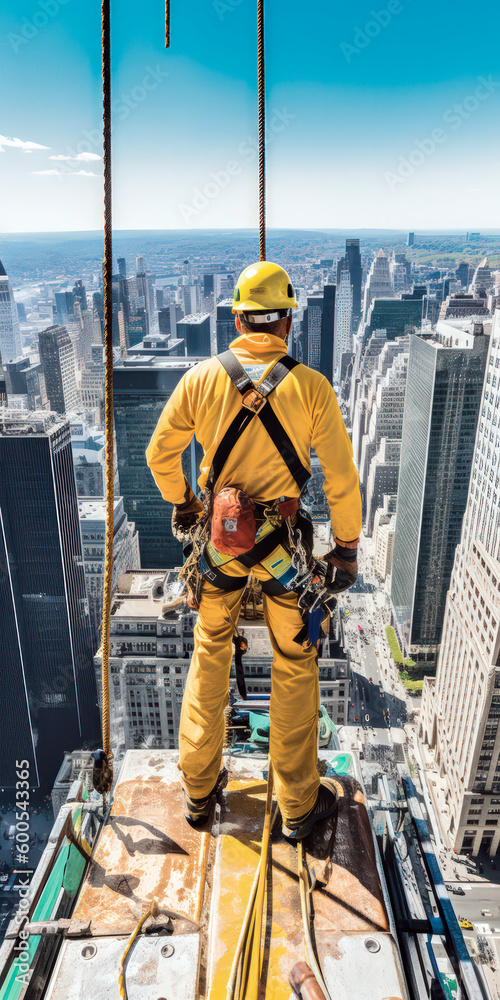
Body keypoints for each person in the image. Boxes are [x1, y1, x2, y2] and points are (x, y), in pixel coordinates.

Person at [146, 261, 362, 840]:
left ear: (237, 317)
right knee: (294, 665)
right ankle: (297, 806)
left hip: (218, 548)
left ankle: (198, 791)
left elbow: (160, 456)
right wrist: (345, 549)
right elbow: (341, 478)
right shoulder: (311, 387)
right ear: (288, 321)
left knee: (210, 650)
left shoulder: (201, 378)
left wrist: (187, 504)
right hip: (284, 555)